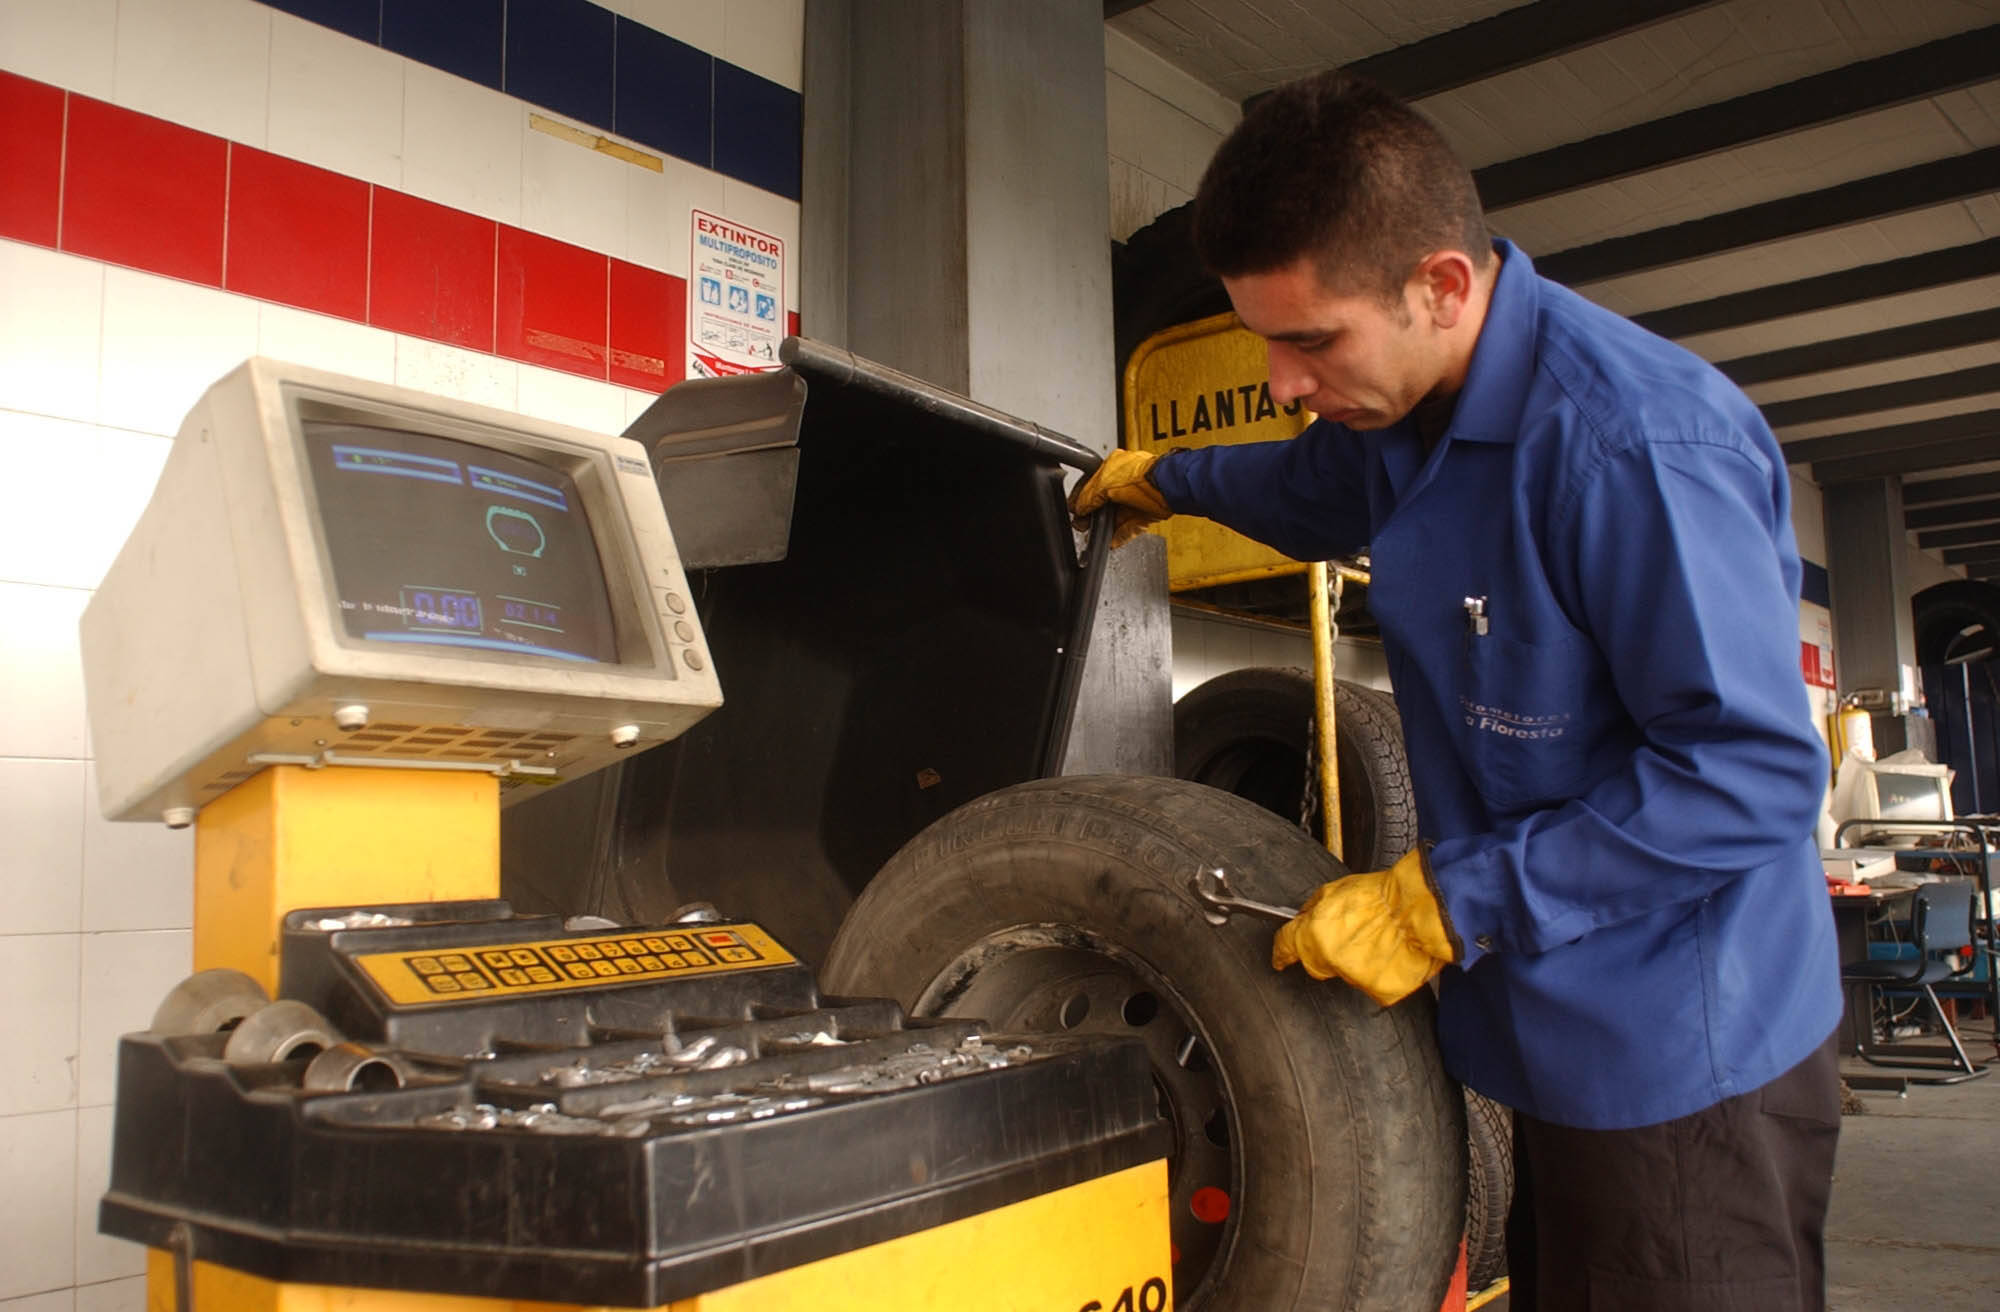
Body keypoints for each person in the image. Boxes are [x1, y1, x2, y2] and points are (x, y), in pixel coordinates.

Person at [1072, 72, 1843, 1311]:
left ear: (1438, 284)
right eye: (1265, 339)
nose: (1279, 380)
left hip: (1682, 1060)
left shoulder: (1632, 449)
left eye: (1310, 340)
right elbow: (1308, 489)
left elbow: (1745, 777)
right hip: (1547, 1035)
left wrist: (1450, 898)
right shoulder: (1403, 416)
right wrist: (1173, 478)